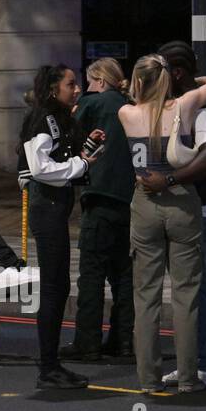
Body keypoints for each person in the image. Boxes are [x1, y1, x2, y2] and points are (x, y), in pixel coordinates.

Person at [118, 54, 206, 393]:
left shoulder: (127, 114)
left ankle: (149, 379)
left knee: (146, 296)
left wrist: (137, 85)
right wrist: (185, 81)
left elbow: (133, 97)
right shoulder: (186, 106)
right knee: (186, 295)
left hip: (145, 205)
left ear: (138, 81)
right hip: (182, 202)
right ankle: (189, 377)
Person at [18, 64, 106, 390]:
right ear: (54, 87)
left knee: (58, 288)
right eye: (71, 83)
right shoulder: (43, 118)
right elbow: (40, 167)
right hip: (47, 210)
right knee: (54, 289)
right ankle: (48, 366)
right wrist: (81, 163)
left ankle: (51, 364)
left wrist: (86, 148)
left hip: (55, 210)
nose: (78, 88)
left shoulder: (59, 119)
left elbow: (60, 158)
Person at [149, 41, 206, 387]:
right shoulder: (186, 104)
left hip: (202, 207)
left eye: (161, 72)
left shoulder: (199, 111)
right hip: (189, 205)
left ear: (176, 74)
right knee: (194, 286)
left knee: (198, 288)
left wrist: (169, 179)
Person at [62, 58, 135, 361]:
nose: (86, 88)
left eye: (90, 82)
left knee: (91, 273)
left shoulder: (95, 103)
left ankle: (87, 342)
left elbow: (69, 137)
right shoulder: (131, 105)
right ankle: (123, 341)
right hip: (130, 199)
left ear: (101, 81)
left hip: (100, 195)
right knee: (124, 275)